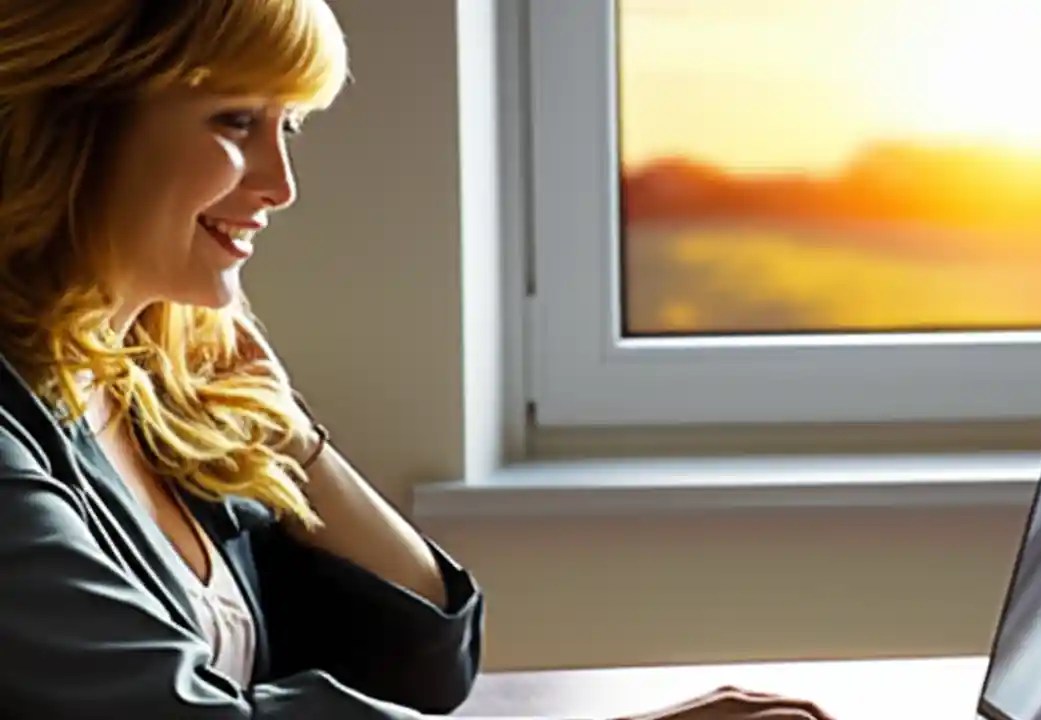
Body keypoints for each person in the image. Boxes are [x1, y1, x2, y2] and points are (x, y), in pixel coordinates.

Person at [0, 2, 835, 719]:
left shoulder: (144, 382)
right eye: (236, 122)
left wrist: (294, 440)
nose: (281, 184)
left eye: (288, 126)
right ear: (76, 121)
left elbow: (425, 658)